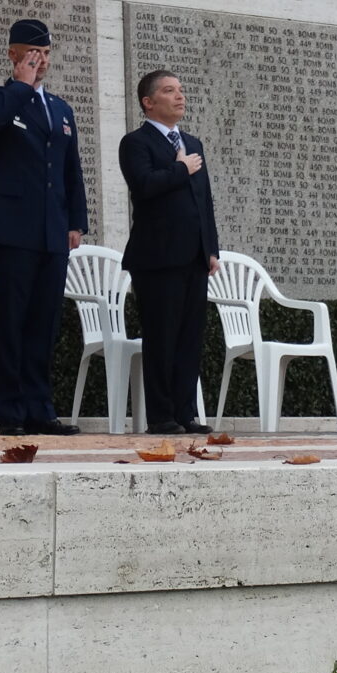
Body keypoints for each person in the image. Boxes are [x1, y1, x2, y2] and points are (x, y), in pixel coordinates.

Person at [0, 19, 87, 436]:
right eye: (32, 54)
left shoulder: (60, 109)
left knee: (44, 322)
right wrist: (20, 85)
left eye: (45, 55)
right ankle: (12, 411)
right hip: (12, 229)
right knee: (13, 320)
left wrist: (76, 221)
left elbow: (71, 169)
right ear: (13, 55)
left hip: (52, 230)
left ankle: (41, 409)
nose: (40, 62)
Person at [119, 69, 219, 436]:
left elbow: (203, 200)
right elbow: (143, 186)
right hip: (157, 257)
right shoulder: (137, 142)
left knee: (190, 337)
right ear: (148, 102)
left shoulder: (193, 142)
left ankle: (185, 412)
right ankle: (161, 416)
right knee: (161, 337)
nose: (180, 96)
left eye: (181, 90)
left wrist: (211, 248)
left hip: (193, 256)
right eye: (169, 91)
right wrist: (179, 168)